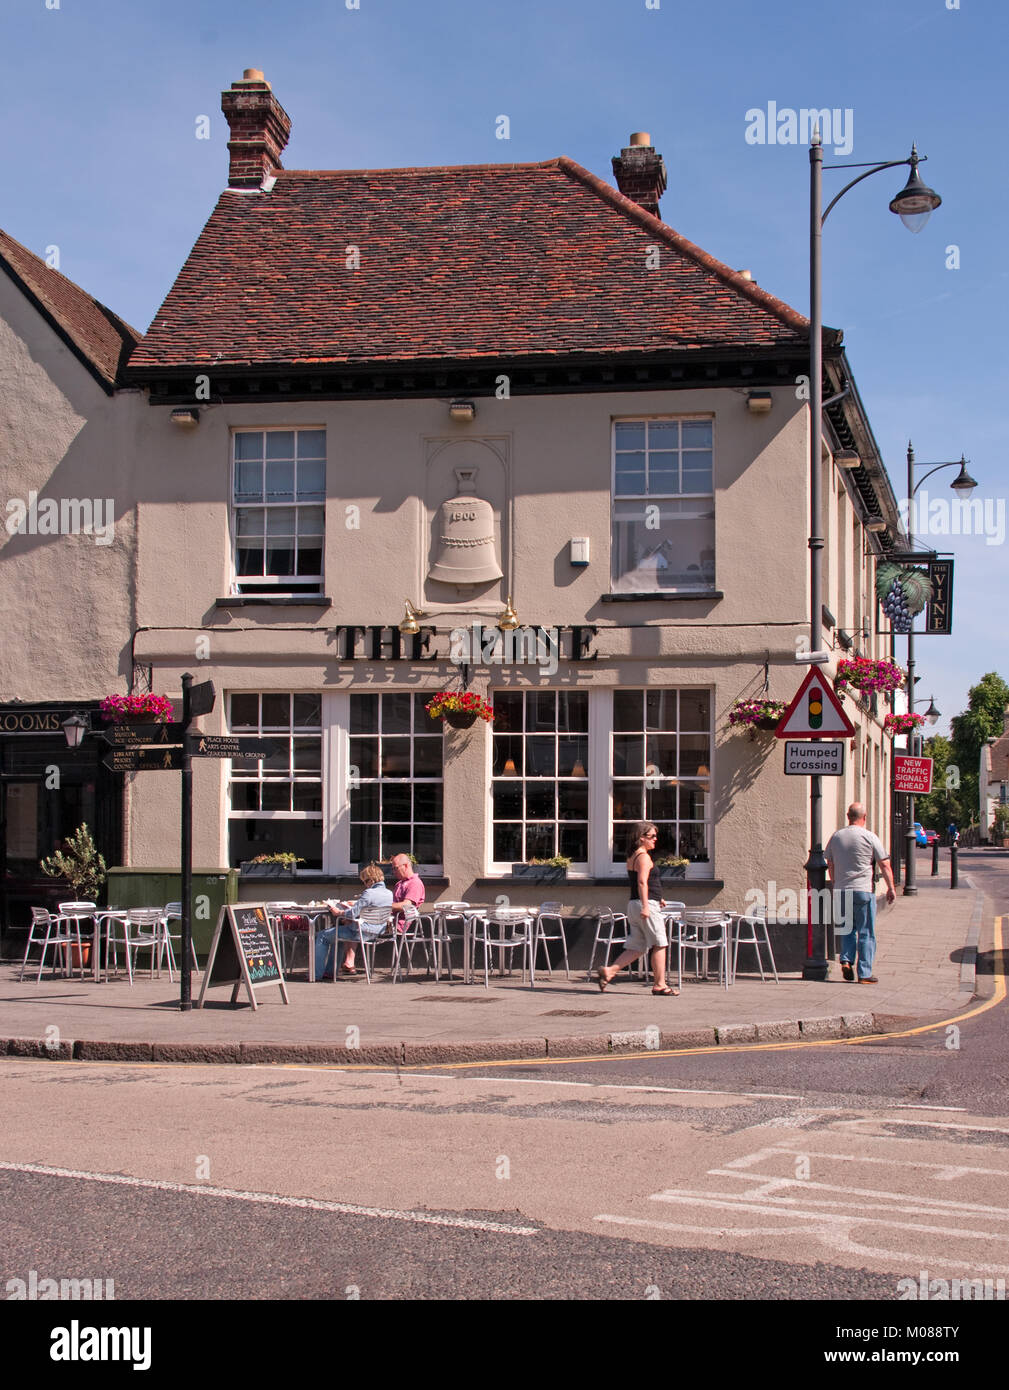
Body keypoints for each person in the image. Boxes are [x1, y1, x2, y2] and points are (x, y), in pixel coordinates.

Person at [597, 821, 678, 996]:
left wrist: (658, 898)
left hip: (635, 904)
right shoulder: (643, 857)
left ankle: (609, 971)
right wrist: (647, 906)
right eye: (652, 836)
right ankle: (660, 985)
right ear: (641, 838)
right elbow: (642, 882)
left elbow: (643, 883)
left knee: (637, 946)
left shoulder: (633, 856)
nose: (655, 839)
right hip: (644, 905)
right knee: (659, 943)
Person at [825, 802, 896, 984]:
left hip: (842, 890)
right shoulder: (869, 836)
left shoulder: (837, 836)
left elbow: (830, 864)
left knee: (847, 930)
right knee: (866, 933)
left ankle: (846, 960)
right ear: (864, 817)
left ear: (848, 816)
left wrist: (835, 882)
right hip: (863, 891)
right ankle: (864, 973)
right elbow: (885, 864)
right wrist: (891, 888)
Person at [314, 863, 393, 978]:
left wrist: (338, 912)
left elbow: (352, 914)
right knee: (338, 936)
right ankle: (330, 972)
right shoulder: (389, 893)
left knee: (322, 936)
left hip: (362, 932)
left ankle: (316, 975)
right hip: (378, 931)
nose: (365, 885)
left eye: (365, 882)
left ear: (371, 880)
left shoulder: (369, 893)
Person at [388, 852, 426, 927]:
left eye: (395, 868)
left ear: (405, 866)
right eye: (392, 869)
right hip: (391, 921)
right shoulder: (399, 883)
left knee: (363, 929)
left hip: (401, 925)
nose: (393, 872)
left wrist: (385, 906)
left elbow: (407, 905)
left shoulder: (415, 883)